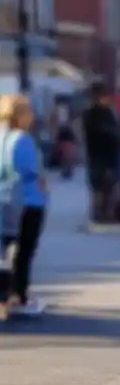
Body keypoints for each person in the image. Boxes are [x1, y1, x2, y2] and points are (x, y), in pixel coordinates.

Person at [0, 95, 49, 317]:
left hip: (4, 201)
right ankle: (19, 296)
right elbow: (32, 172)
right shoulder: (23, 139)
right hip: (28, 201)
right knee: (24, 252)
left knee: (5, 249)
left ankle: (6, 295)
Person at [82, 83, 120, 224]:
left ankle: (107, 212)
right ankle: (98, 212)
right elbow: (104, 131)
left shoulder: (107, 112)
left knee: (109, 186)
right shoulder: (92, 114)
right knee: (98, 186)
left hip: (107, 154)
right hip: (98, 154)